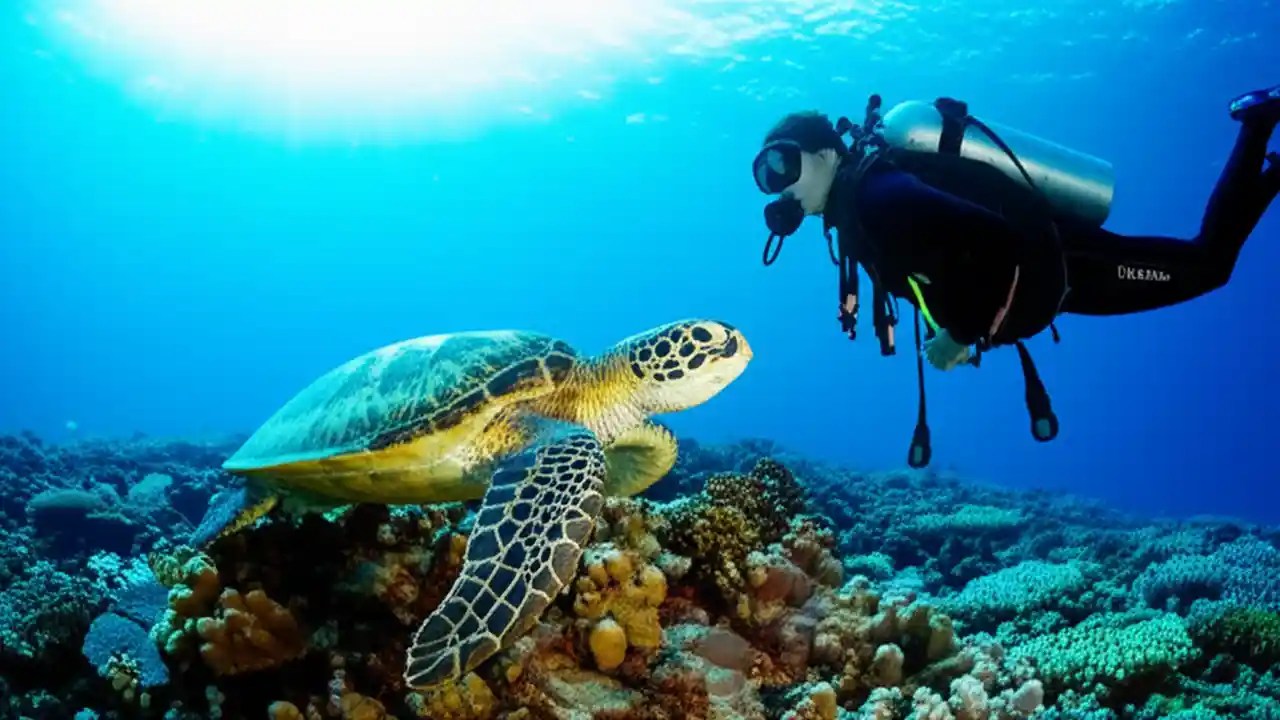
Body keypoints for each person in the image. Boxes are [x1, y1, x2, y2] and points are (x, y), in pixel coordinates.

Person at [751, 85, 1280, 467]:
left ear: (825, 153)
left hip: (1072, 268)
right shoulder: (863, 204)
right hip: (1058, 272)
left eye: (786, 165)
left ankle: (1258, 125)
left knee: (1207, 266)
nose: (781, 187)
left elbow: (989, 239)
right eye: (768, 179)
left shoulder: (877, 195)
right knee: (1206, 263)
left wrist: (958, 335)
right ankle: (1265, 142)